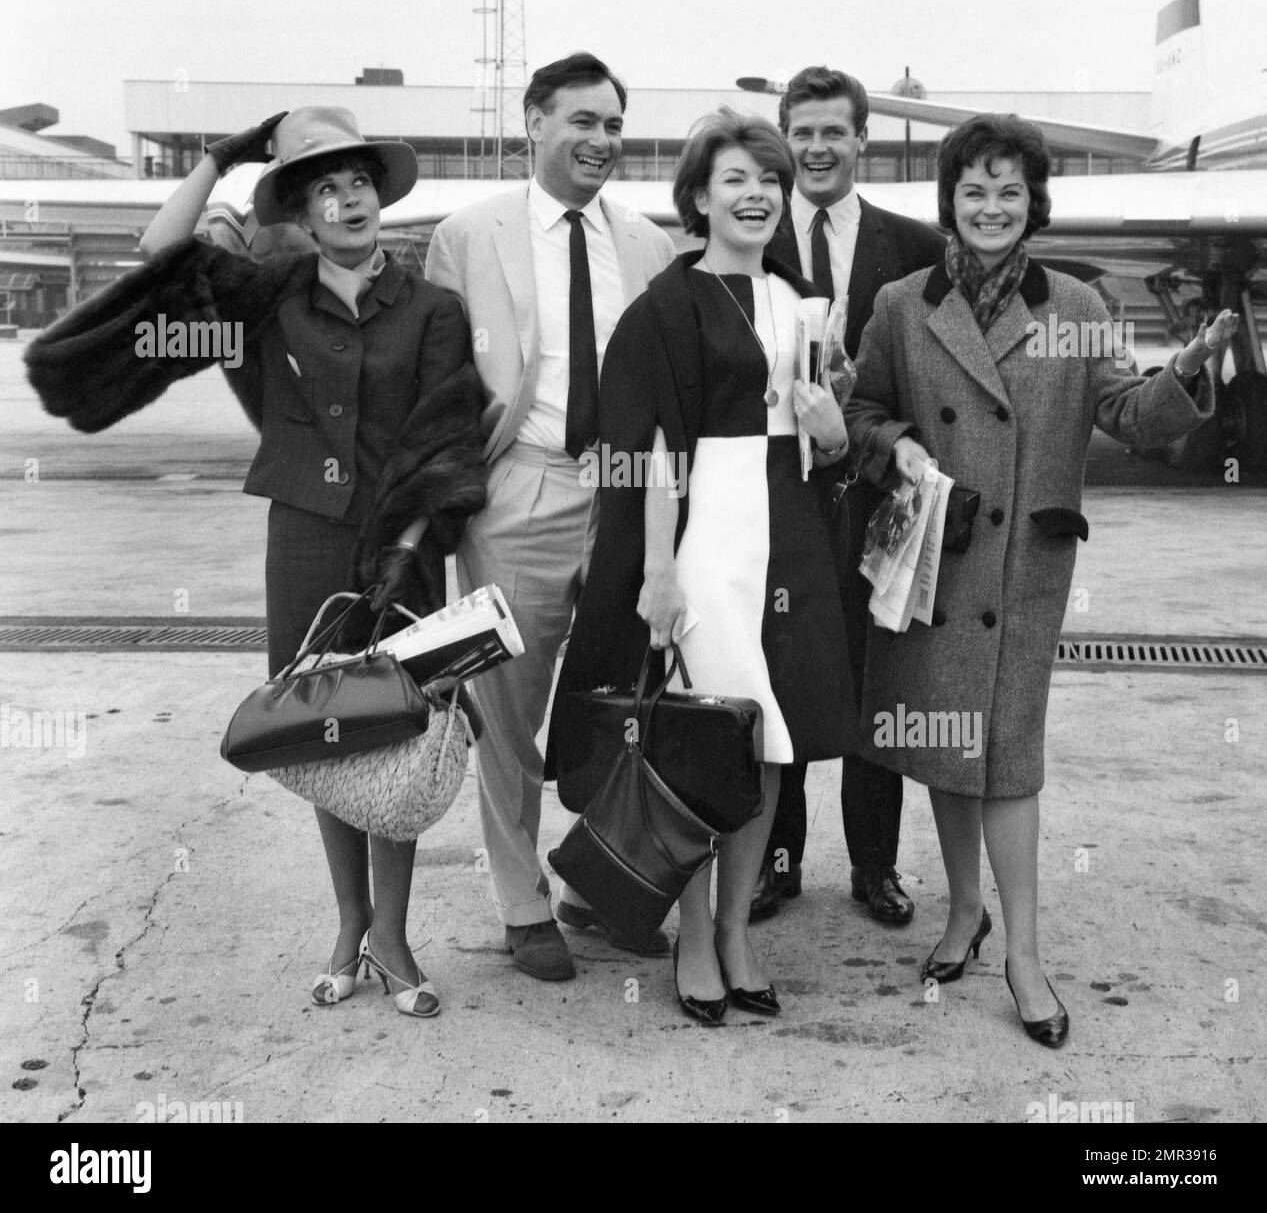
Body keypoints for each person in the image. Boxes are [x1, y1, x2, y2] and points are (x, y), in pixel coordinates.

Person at [25, 108, 487, 1019]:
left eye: (357, 183)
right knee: (322, 727)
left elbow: (447, 434)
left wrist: (405, 547)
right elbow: (162, 255)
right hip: (306, 537)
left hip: (404, 546)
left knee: (394, 728)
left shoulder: (434, 308)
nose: (346, 200)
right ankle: (348, 925)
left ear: (378, 199)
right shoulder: (267, 295)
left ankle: (392, 939)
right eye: (324, 188)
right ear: (302, 215)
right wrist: (218, 157)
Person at [845, 112, 1236, 1046]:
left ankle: (1023, 954)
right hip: (937, 557)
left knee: (1008, 755)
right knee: (945, 743)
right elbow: (862, 407)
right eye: (973, 190)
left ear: (1032, 204)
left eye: (1008, 191)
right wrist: (895, 447)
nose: (990, 207)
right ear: (950, 200)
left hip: (1023, 564)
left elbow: (1129, 416)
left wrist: (1182, 368)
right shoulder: (903, 303)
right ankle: (959, 915)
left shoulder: (1079, 307)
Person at [549, 108, 862, 1025]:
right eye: (735, 179)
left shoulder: (796, 301)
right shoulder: (667, 308)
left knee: (768, 745)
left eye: (767, 179)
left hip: (789, 529)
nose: (756, 192)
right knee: (699, 746)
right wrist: (656, 571)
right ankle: (690, 936)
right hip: (706, 537)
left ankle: (735, 931)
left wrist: (829, 428)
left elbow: (824, 440)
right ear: (698, 197)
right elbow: (648, 455)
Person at [424, 52, 675, 981]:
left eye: (613, 124)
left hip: (618, 493)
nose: (601, 141)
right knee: (507, 708)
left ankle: (597, 882)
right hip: (516, 489)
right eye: (581, 121)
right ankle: (522, 901)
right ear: (533, 122)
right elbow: (439, 381)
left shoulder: (647, 246)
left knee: (620, 706)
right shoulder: (466, 235)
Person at [753, 66, 945, 927]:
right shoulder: (751, 234)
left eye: (835, 132)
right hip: (778, 498)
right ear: (783, 137)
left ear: (862, 138)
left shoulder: (909, 245)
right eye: (804, 132)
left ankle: (875, 868)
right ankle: (777, 864)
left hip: (877, 498)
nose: (818, 148)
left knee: (880, 682)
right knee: (783, 673)